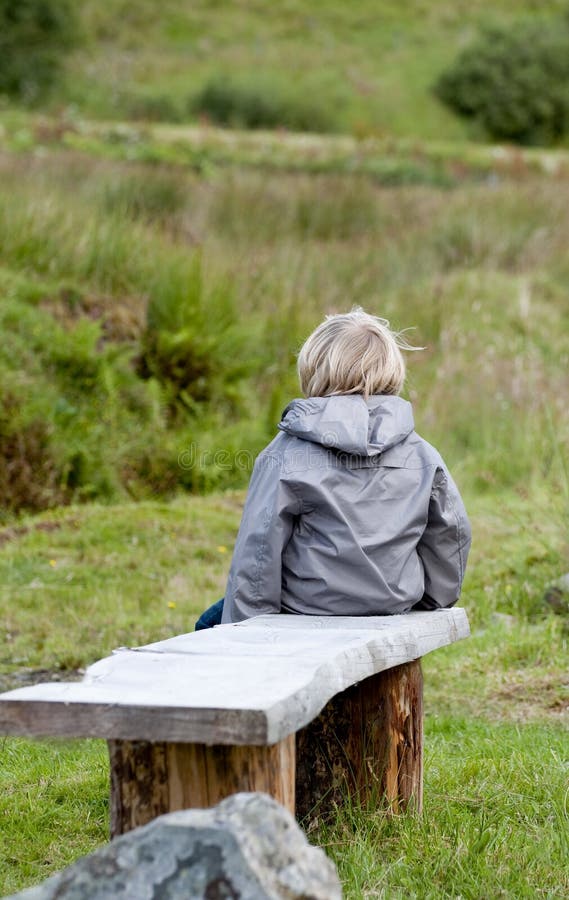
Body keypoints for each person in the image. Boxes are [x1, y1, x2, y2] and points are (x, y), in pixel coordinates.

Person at [195, 308, 471, 630]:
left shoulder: (285, 453)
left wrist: (253, 631)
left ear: (313, 370)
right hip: (393, 603)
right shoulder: (422, 454)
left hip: (305, 609)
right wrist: (433, 599)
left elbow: (258, 551)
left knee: (207, 624)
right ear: (392, 371)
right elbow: (452, 533)